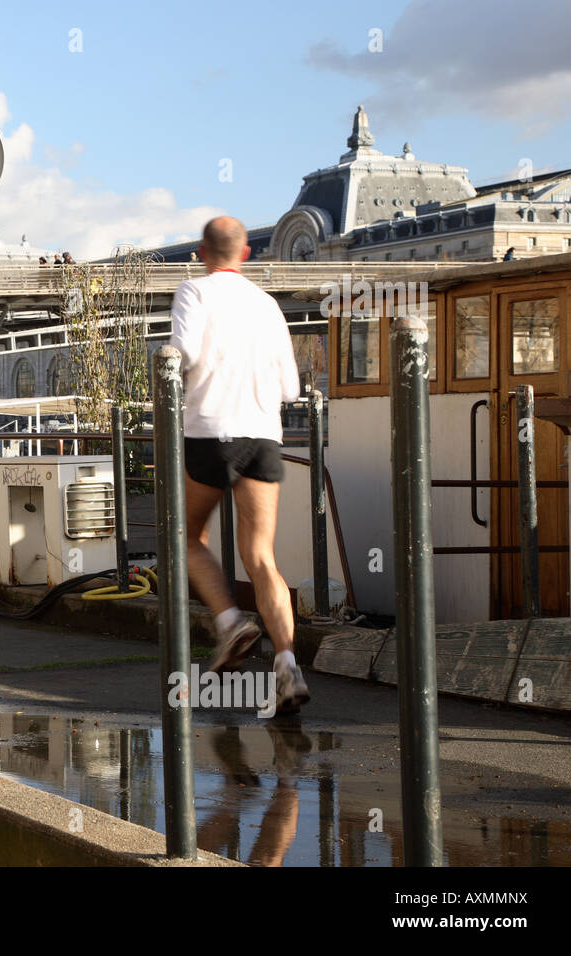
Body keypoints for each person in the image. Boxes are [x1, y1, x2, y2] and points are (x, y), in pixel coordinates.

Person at [168, 216, 310, 713]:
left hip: (210, 430)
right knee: (262, 556)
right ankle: (288, 665)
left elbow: (180, 353)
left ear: (202, 253)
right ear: (246, 254)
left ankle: (230, 624)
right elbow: (290, 388)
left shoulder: (194, 291)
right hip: (263, 435)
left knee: (186, 536)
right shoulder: (269, 305)